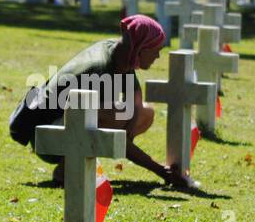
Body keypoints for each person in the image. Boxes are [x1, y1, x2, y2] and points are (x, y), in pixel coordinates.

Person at [23, 15, 190, 187]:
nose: (158, 56)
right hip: (47, 137)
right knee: (109, 116)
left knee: (145, 113)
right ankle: (67, 167)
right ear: (141, 47)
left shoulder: (122, 53)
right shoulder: (100, 70)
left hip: (69, 123)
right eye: (155, 49)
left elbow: (136, 102)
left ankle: (76, 161)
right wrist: (161, 171)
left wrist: (129, 135)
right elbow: (103, 124)